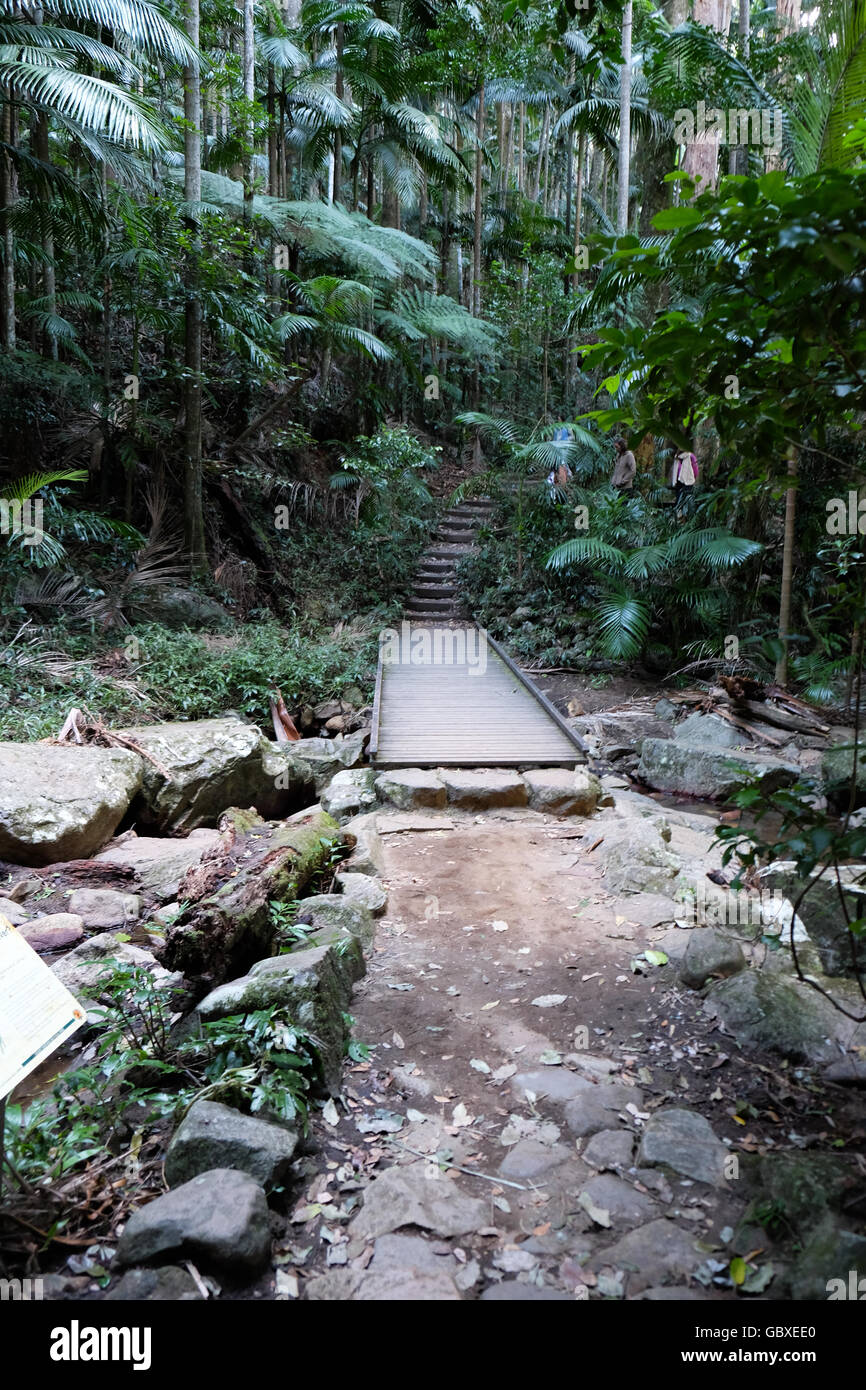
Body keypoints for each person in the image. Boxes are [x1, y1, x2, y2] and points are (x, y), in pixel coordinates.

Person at [671, 446, 699, 513]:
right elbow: (675, 470)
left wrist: (693, 478)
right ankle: (680, 515)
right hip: (681, 481)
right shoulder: (677, 457)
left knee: (684, 498)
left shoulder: (690, 456)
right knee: (681, 499)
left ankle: (683, 515)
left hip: (686, 481)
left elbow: (695, 469)